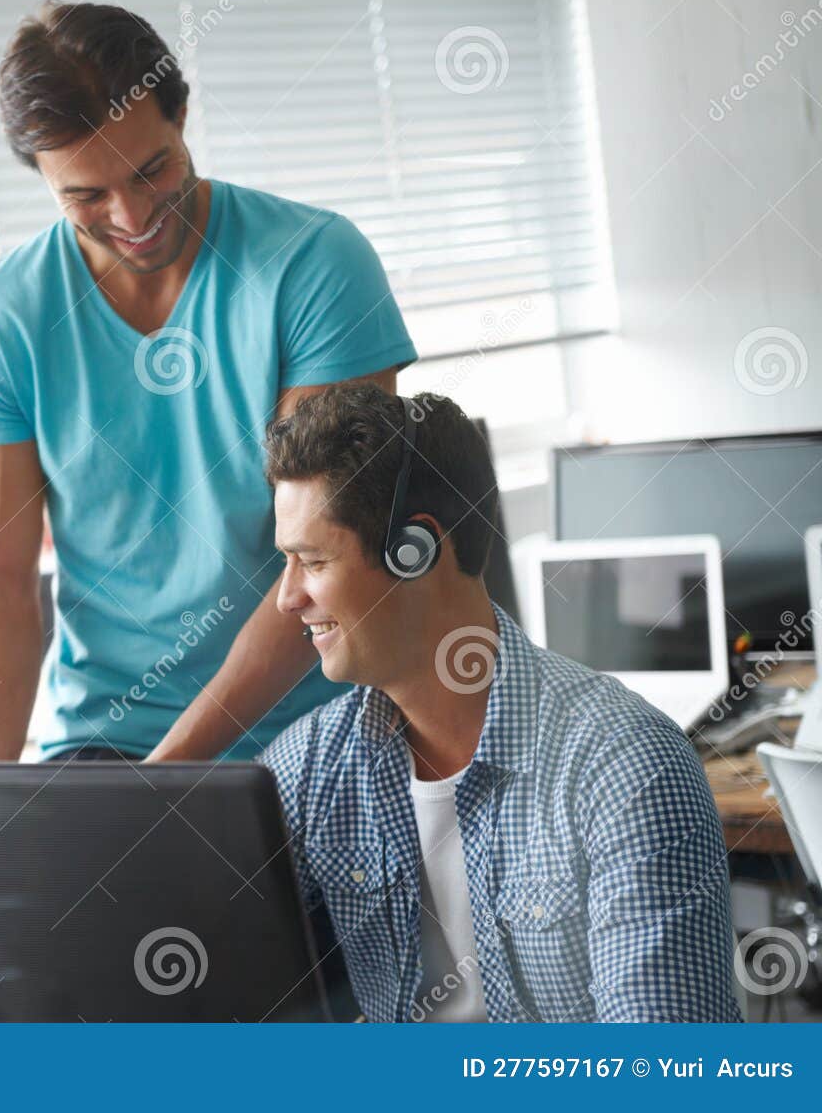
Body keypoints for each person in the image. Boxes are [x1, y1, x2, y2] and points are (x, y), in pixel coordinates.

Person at [0, 0, 417, 763]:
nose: (133, 213)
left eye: (151, 169)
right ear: (40, 176)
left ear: (180, 116)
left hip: (323, 723)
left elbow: (324, 557)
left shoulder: (315, 264)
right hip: (104, 736)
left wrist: (167, 781)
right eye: (85, 194)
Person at [257, 384, 742, 1022]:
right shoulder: (306, 768)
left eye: (312, 561)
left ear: (416, 551)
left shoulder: (626, 770)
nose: (287, 598)